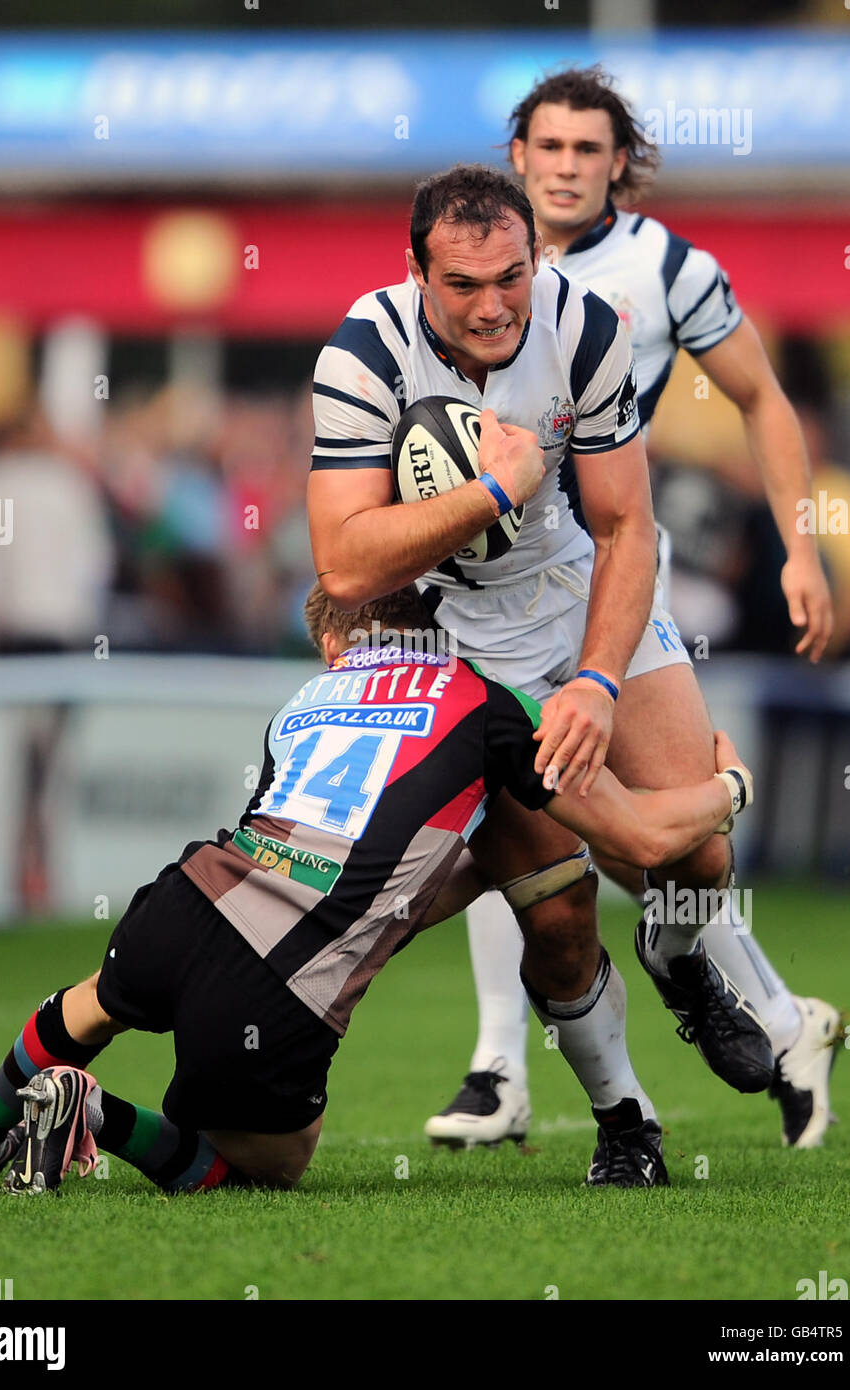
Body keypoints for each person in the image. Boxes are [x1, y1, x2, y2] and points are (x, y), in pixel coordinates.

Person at [0, 585, 756, 1194]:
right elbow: (641, 838)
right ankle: (96, 1113)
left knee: (94, 1002)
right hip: (275, 990)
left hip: (188, 896)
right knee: (270, 1165)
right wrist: (728, 785)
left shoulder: (304, 701)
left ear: (336, 646)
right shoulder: (486, 704)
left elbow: (365, 863)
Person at [309, 163, 776, 1166]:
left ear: (534, 256)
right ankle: (625, 1124)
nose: (493, 307)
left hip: (577, 588)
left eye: (510, 277)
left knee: (693, 859)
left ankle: (677, 957)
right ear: (415, 273)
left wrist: (597, 684)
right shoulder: (360, 353)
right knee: (556, 908)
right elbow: (344, 560)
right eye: (464, 285)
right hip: (446, 637)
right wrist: (489, 491)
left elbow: (624, 526)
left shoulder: (587, 326)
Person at [426, 69, 840, 1154]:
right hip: (480, 586)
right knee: (507, 806)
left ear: (622, 161)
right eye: (547, 147)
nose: (565, 166)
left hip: (611, 573)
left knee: (669, 849)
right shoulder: (459, 270)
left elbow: (760, 395)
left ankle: (743, 995)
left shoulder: (666, 269)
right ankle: (498, 1063)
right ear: (516, 154)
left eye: (587, 149)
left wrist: (802, 547)